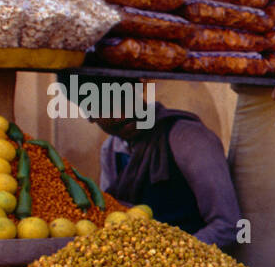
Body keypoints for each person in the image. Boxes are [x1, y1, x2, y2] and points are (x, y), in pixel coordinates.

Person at [66, 74, 241, 248]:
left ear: (138, 90)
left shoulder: (188, 138)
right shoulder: (111, 150)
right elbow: (112, 216)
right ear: (90, 116)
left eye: (123, 100)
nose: (120, 115)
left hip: (194, 263)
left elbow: (227, 226)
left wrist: (172, 255)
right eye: (105, 108)